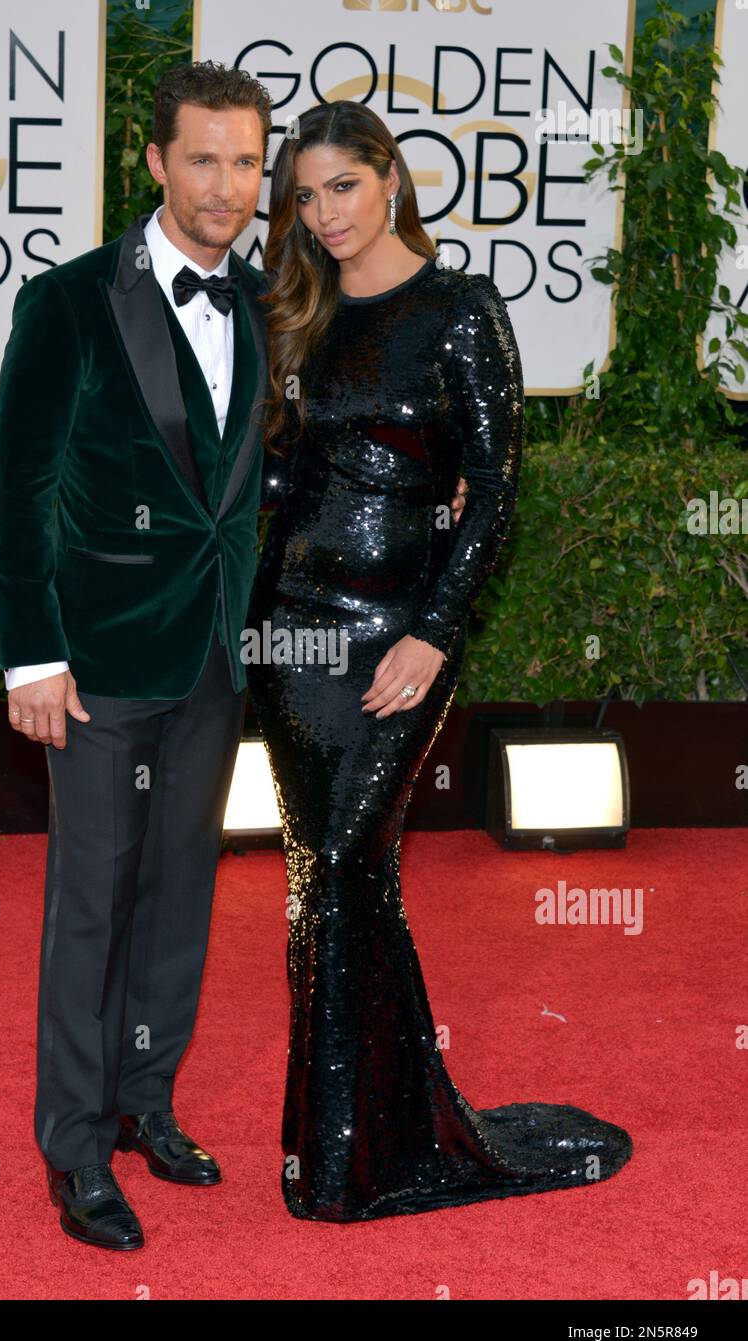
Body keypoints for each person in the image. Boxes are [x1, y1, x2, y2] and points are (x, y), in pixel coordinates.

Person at [246, 100, 633, 1222]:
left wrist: (435, 630)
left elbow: (495, 490)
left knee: (338, 857)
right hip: (290, 634)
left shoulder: (461, 311)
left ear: (389, 178)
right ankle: (362, 1140)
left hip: (397, 637)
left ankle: (359, 1151)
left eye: (341, 188)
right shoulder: (298, 315)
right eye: (304, 197)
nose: (322, 215)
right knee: (330, 879)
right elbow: (280, 480)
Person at [0, 61, 275, 1250]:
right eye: (201, 159)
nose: (225, 186)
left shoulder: (264, 304)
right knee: (90, 908)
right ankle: (70, 1148)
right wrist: (30, 656)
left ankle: (144, 1105)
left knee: (178, 901)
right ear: (153, 163)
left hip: (210, 652)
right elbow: (18, 485)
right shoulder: (66, 302)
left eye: (246, 163)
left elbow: (252, 481)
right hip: (95, 663)